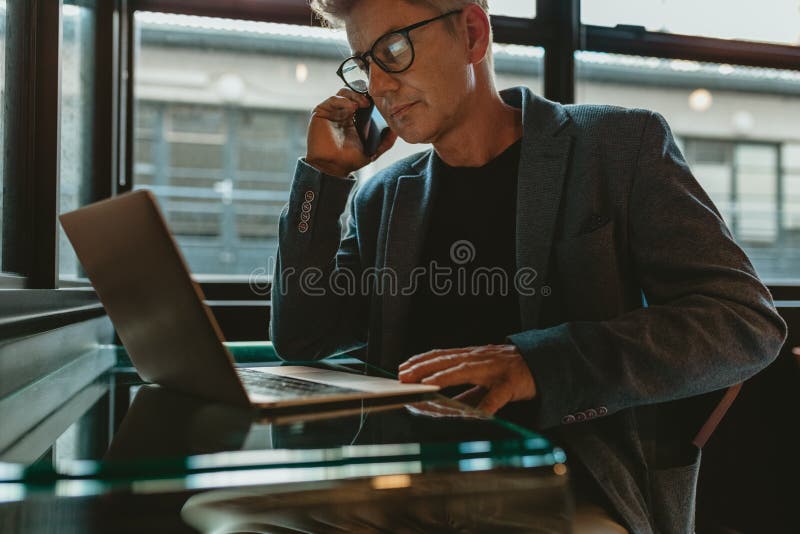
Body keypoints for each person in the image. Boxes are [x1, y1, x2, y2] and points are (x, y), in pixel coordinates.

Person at [269, 0, 787, 532]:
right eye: (363, 63)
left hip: (567, 486)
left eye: (393, 51)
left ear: (472, 34)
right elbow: (302, 338)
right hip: (408, 482)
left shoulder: (619, 148)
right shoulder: (382, 196)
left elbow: (745, 323)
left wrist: (537, 363)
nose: (378, 86)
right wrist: (323, 179)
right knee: (225, 517)